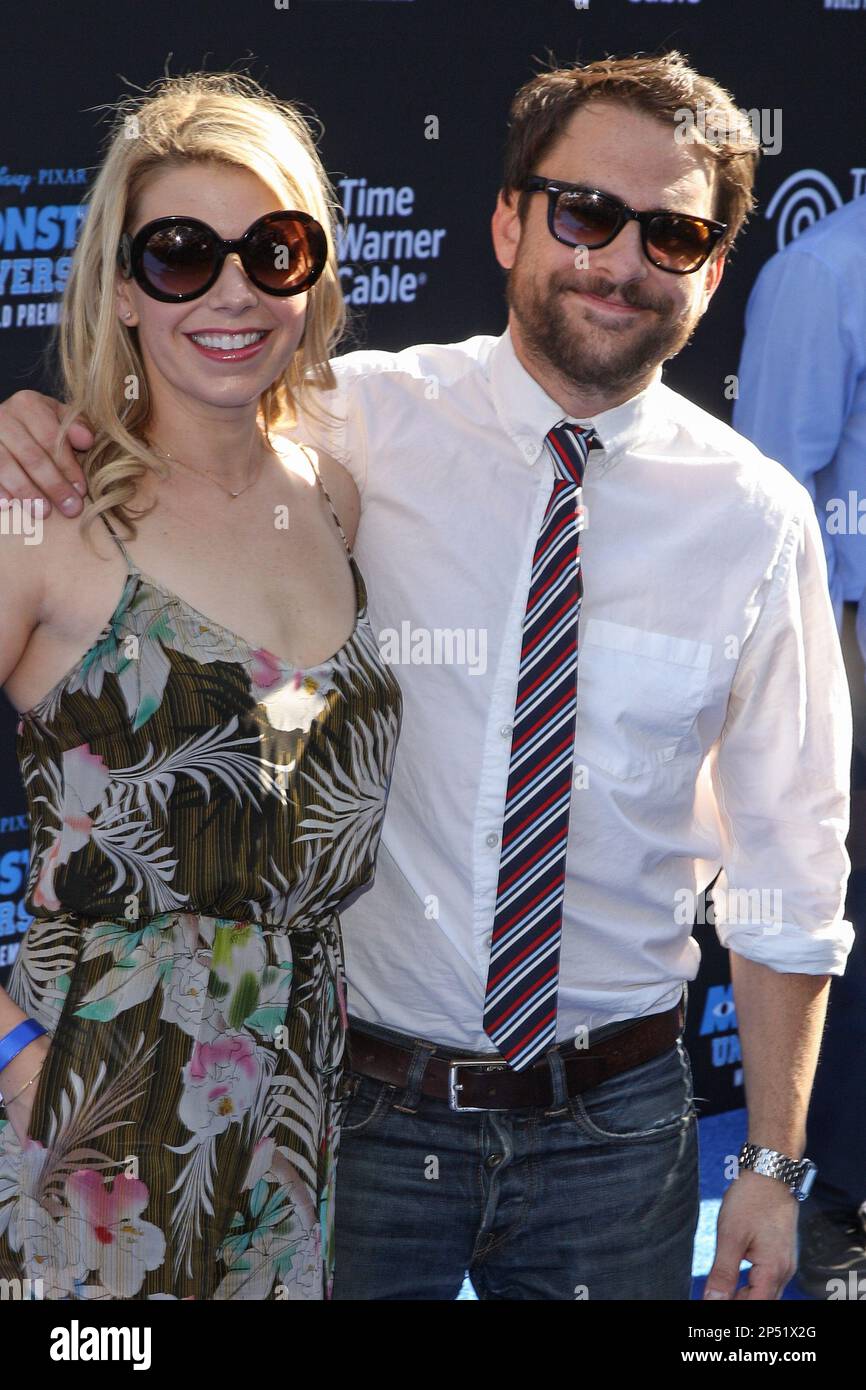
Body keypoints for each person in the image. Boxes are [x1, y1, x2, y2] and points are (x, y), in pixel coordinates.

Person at [0, 52, 853, 1302]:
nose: (617, 258)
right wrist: (31, 426)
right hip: (346, 1113)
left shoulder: (756, 520)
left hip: (610, 1137)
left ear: (713, 268)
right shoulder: (357, 428)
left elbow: (789, 866)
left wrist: (771, 1161)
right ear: (510, 220)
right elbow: (175, 418)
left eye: (669, 233)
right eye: (584, 213)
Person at [0, 73, 402, 1300]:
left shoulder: (330, 495)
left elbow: (287, 750)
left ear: (313, 275)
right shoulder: (46, 513)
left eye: (272, 250)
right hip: (92, 1104)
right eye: (180, 255)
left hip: (294, 1102)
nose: (232, 292)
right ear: (122, 288)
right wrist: (13, 1043)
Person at [733, 193, 866, 1298]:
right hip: (849, 652)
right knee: (841, 929)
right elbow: (771, 508)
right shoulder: (822, 276)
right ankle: (828, 1204)